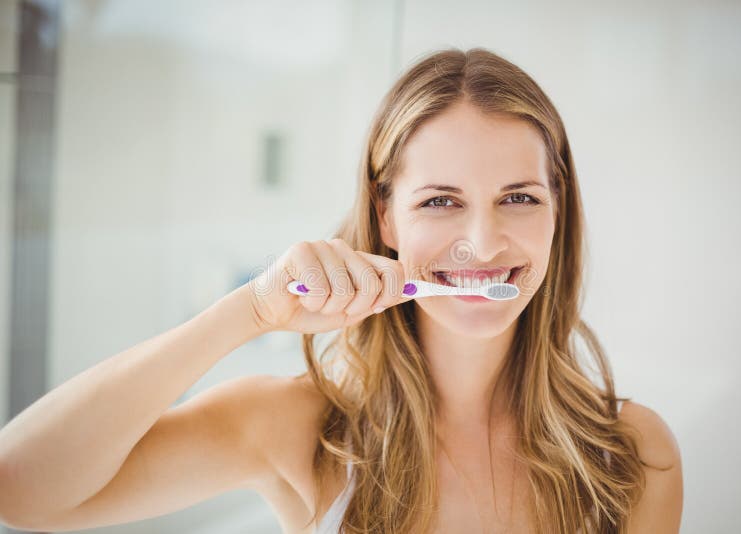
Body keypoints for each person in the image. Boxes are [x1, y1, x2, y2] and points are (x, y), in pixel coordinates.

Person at [0, 47, 682, 533]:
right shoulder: (299, 430)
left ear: (558, 213)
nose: (484, 240)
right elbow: (21, 488)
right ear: (385, 215)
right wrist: (251, 311)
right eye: (442, 202)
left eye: (520, 198)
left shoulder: (631, 454)